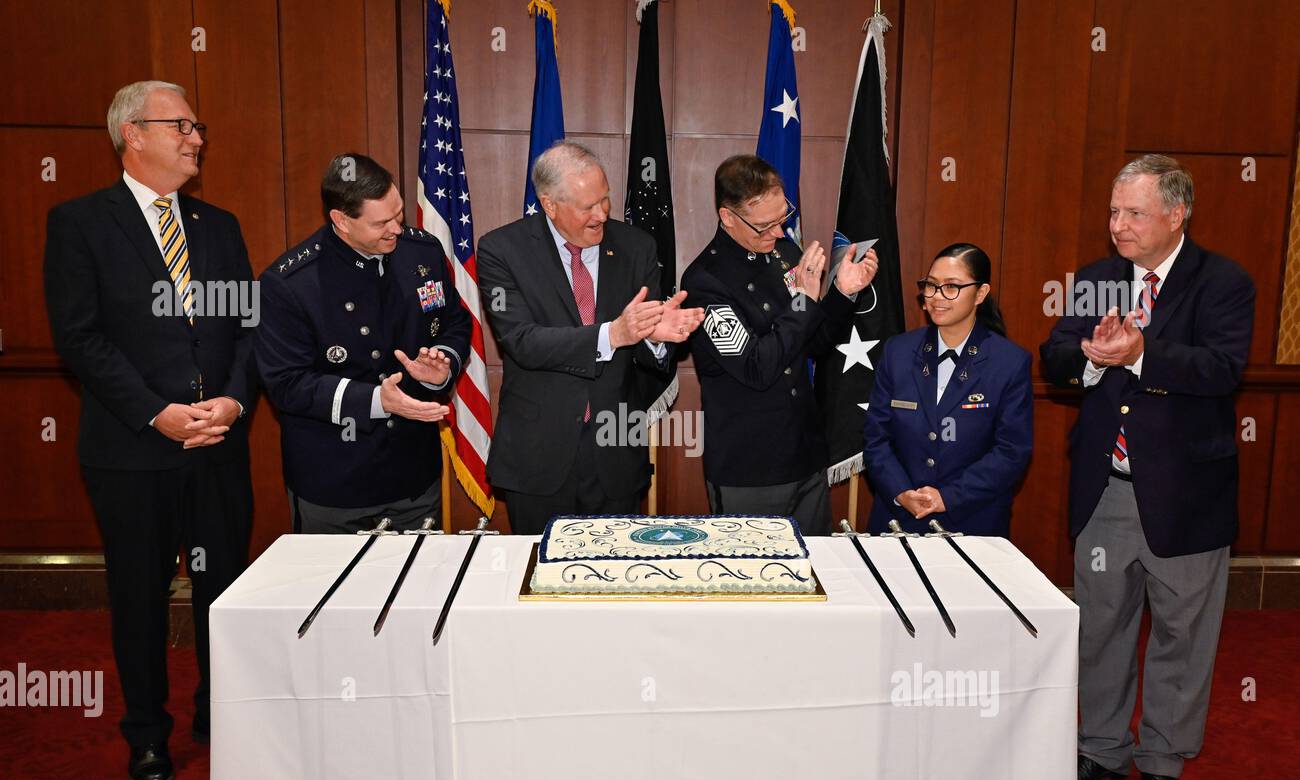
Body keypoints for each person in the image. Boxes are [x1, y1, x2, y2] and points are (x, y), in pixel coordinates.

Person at [44, 80, 257, 780]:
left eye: (198, 127)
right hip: (133, 450)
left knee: (221, 589)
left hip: (217, 445)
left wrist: (230, 400)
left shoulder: (218, 226)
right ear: (132, 134)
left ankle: (218, 714)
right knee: (138, 596)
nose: (197, 138)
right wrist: (155, 412)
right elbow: (79, 338)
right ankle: (147, 733)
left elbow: (247, 330)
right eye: (183, 126)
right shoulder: (79, 223)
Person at [1040, 154, 1254, 780]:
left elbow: (1222, 368)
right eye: (1113, 211)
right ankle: (1101, 744)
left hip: (1188, 496)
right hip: (1107, 489)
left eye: (1134, 213)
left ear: (1176, 212)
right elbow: (1052, 358)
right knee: (1102, 625)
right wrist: (1090, 355)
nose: (1118, 225)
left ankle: (1162, 759)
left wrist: (1141, 354)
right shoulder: (1100, 281)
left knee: (1182, 637)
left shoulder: (1222, 282)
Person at [477, 141, 703, 534]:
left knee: (615, 581)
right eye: (587, 207)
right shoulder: (501, 250)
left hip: (615, 452)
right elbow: (523, 342)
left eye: (605, 201)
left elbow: (649, 355)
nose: (601, 214)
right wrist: (613, 334)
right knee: (540, 579)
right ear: (549, 205)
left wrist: (655, 336)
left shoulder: (636, 247)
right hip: (537, 458)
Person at [255, 154, 471, 532]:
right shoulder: (290, 283)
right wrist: (375, 401)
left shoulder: (423, 252)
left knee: (419, 585)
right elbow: (287, 384)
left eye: (399, 214)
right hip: (336, 483)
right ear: (341, 220)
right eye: (380, 223)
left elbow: (454, 320)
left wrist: (444, 364)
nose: (396, 229)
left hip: (413, 476)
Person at [679, 154, 878, 535]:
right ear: (728, 218)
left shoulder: (784, 255)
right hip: (750, 467)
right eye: (764, 226)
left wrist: (841, 293)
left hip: (804, 453)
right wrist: (804, 300)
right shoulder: (705, 282)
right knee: (753, 585)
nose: (778, 233)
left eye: (782, 218)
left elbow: (815, 343)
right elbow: (757, 366)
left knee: (814, 574)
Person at [862, 243, 1032, 536]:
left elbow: (1011, 452)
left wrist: (948, 497)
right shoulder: (898, 352)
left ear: (980, 293)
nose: (937, 297)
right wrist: (901, 491)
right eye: (931, 286)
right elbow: (876, 438)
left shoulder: (1009, 362)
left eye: (951, 287)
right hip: (898, 519)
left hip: (972, 521)